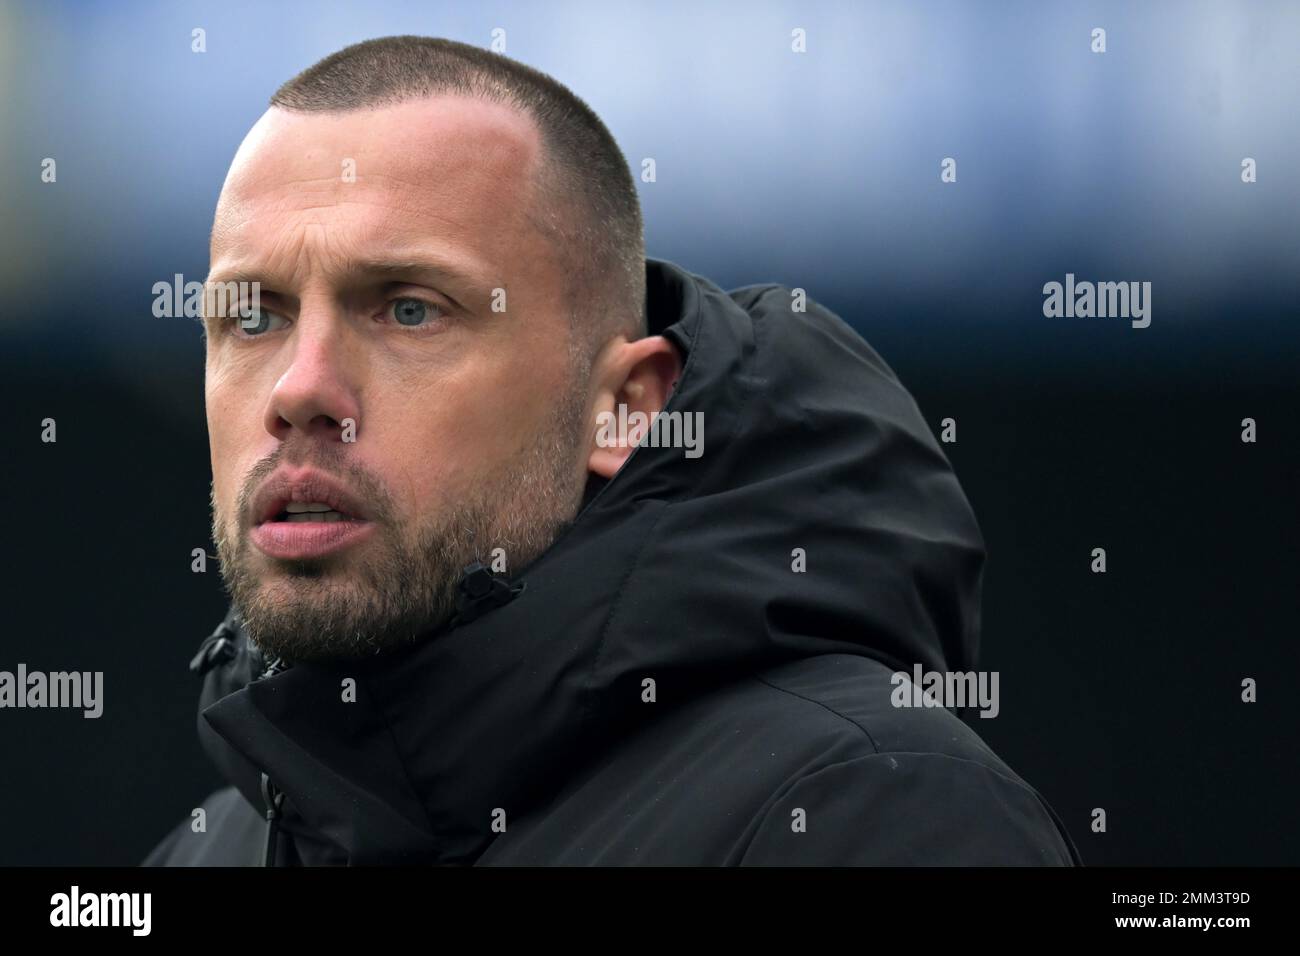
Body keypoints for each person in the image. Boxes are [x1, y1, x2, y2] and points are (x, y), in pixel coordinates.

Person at [143, 35, 1080, 866]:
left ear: (625, 409)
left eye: (410, 309)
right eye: (252, 316)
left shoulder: (867, 810)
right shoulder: (209, 849)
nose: (299, 390)